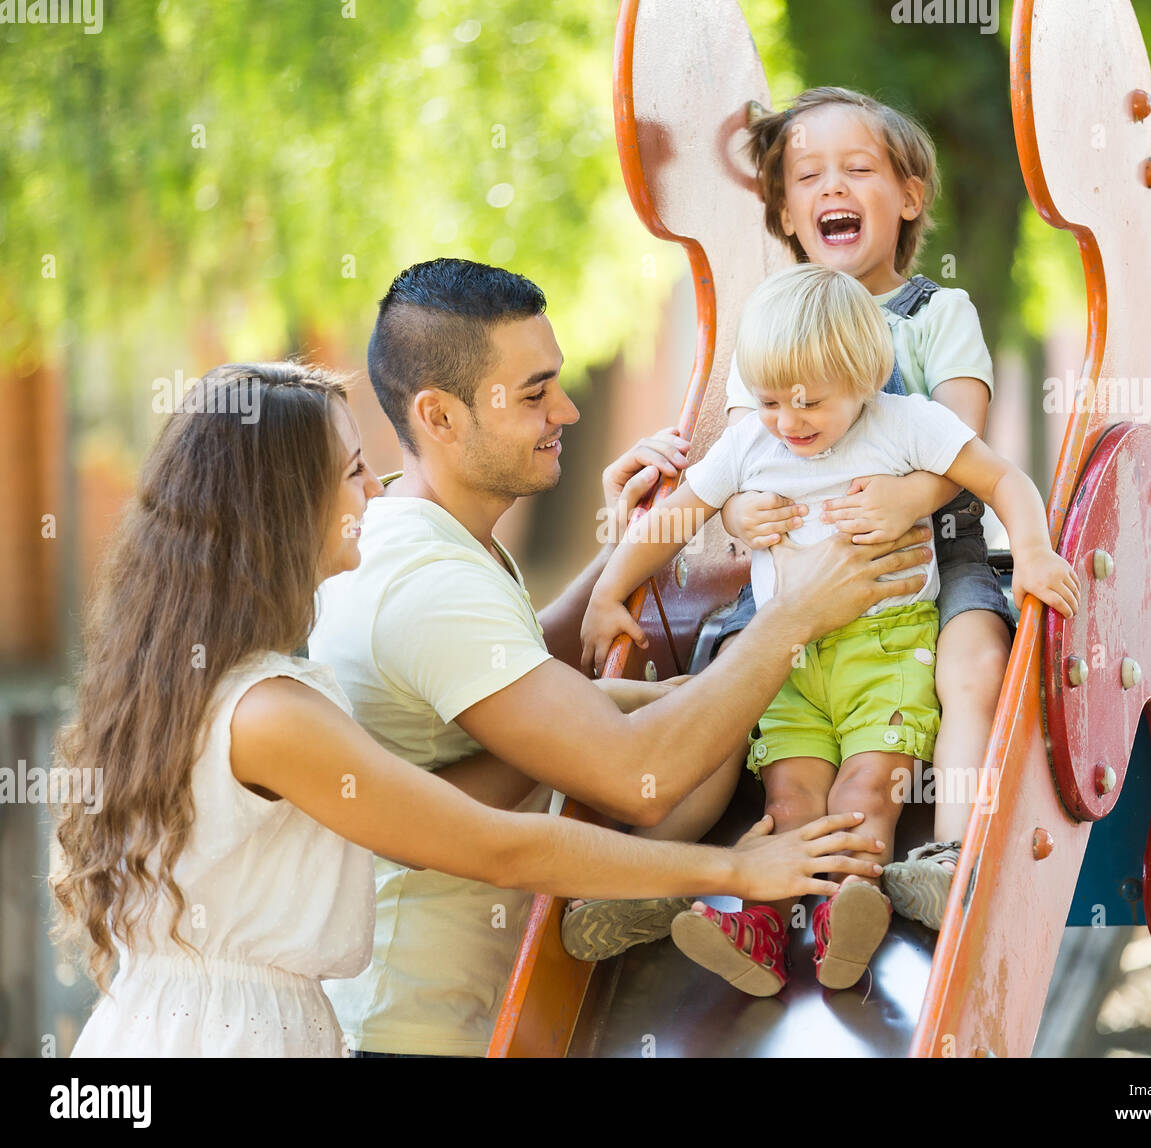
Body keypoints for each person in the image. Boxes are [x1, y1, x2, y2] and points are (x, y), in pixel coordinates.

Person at [50, 362, 888, 1057]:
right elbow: (498, 847)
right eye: (350, 474)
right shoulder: (270, 711)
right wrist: (738, 872)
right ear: (281, 507)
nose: (373, 495)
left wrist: (589, 706)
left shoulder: (225, 688)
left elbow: (438, 816)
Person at [307, 258, 936, 1056]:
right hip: (421, 1032)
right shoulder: (424, 585)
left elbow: (512, 664)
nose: (565, 410)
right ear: (439, 415)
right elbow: (638, 778)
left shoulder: (431, 539)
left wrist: (622, 558)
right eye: (534, 394)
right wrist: (796, 613)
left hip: (483, 1010)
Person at [580, 263, 1080, 994]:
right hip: (786, 659)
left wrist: (1032, 553)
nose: (790, 420)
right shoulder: (755, 442)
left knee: (867, 791)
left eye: (810, 401)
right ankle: (763, 924)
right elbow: (679, 512)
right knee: (789, 802)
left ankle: (846, 912)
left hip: (886, 650)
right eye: (773, 399)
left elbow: (1004, 478)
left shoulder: (906, 426)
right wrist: (608, 590)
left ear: (866, 377)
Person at [714, 86, 1022, 930]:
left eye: (858, 169)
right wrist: (740, 516)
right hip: (801, 572)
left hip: (932, 550)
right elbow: (743, 458)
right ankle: (725, 883)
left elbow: (968, 445)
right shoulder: (773, 326)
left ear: (909, 197)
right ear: (784, 211)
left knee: (975, 663)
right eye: (808, 176)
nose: (831, 189)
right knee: (723, 680)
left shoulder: (936, 314)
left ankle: (948, 854)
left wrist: (911, 499)